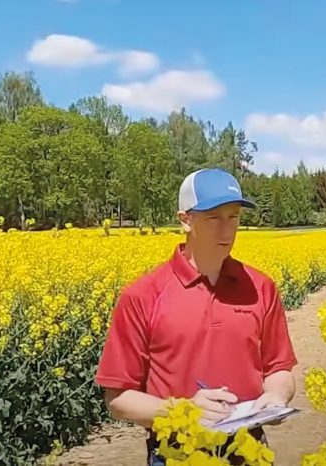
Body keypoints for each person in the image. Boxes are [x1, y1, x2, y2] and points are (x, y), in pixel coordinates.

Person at [94, 168, 298, 465]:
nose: (227, 230)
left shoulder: (261, 287)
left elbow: (279, 368)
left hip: (249, 448)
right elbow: (118, 399)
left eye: (234, 217)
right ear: (185, 220)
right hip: (176, 452)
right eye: (214, 218)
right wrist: (186, 411)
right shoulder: (143, 295)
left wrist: (277, 397)